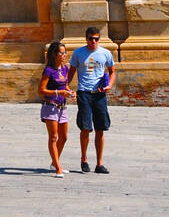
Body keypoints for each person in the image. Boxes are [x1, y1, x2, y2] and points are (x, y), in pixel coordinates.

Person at [67, 27, 115, 173]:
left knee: (100, 129)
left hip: (99, 94)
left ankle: (99, 163)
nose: (93, 41)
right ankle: (84, 160)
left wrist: (110, 85)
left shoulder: (105, 53)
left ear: (99, 39)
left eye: (96, 39)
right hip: (84, 93)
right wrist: (67, 88)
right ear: (86, 38)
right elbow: (71, 72)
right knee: (85, 128)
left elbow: (112, 71)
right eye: (90, 38)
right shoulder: (78, 53)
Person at [38, 40, 75, 176]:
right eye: (62, 52)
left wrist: (70, 92)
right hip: (50, 107)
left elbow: (64, 86)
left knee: (64, 137)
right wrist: (58, 93)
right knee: (53, 137)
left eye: (65, 52)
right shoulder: (49, 70)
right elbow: (41, 90)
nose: (64, 55)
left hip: (62, 107)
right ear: (54, 54)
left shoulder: (65, 69)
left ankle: (55, 162)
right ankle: (58, 167)